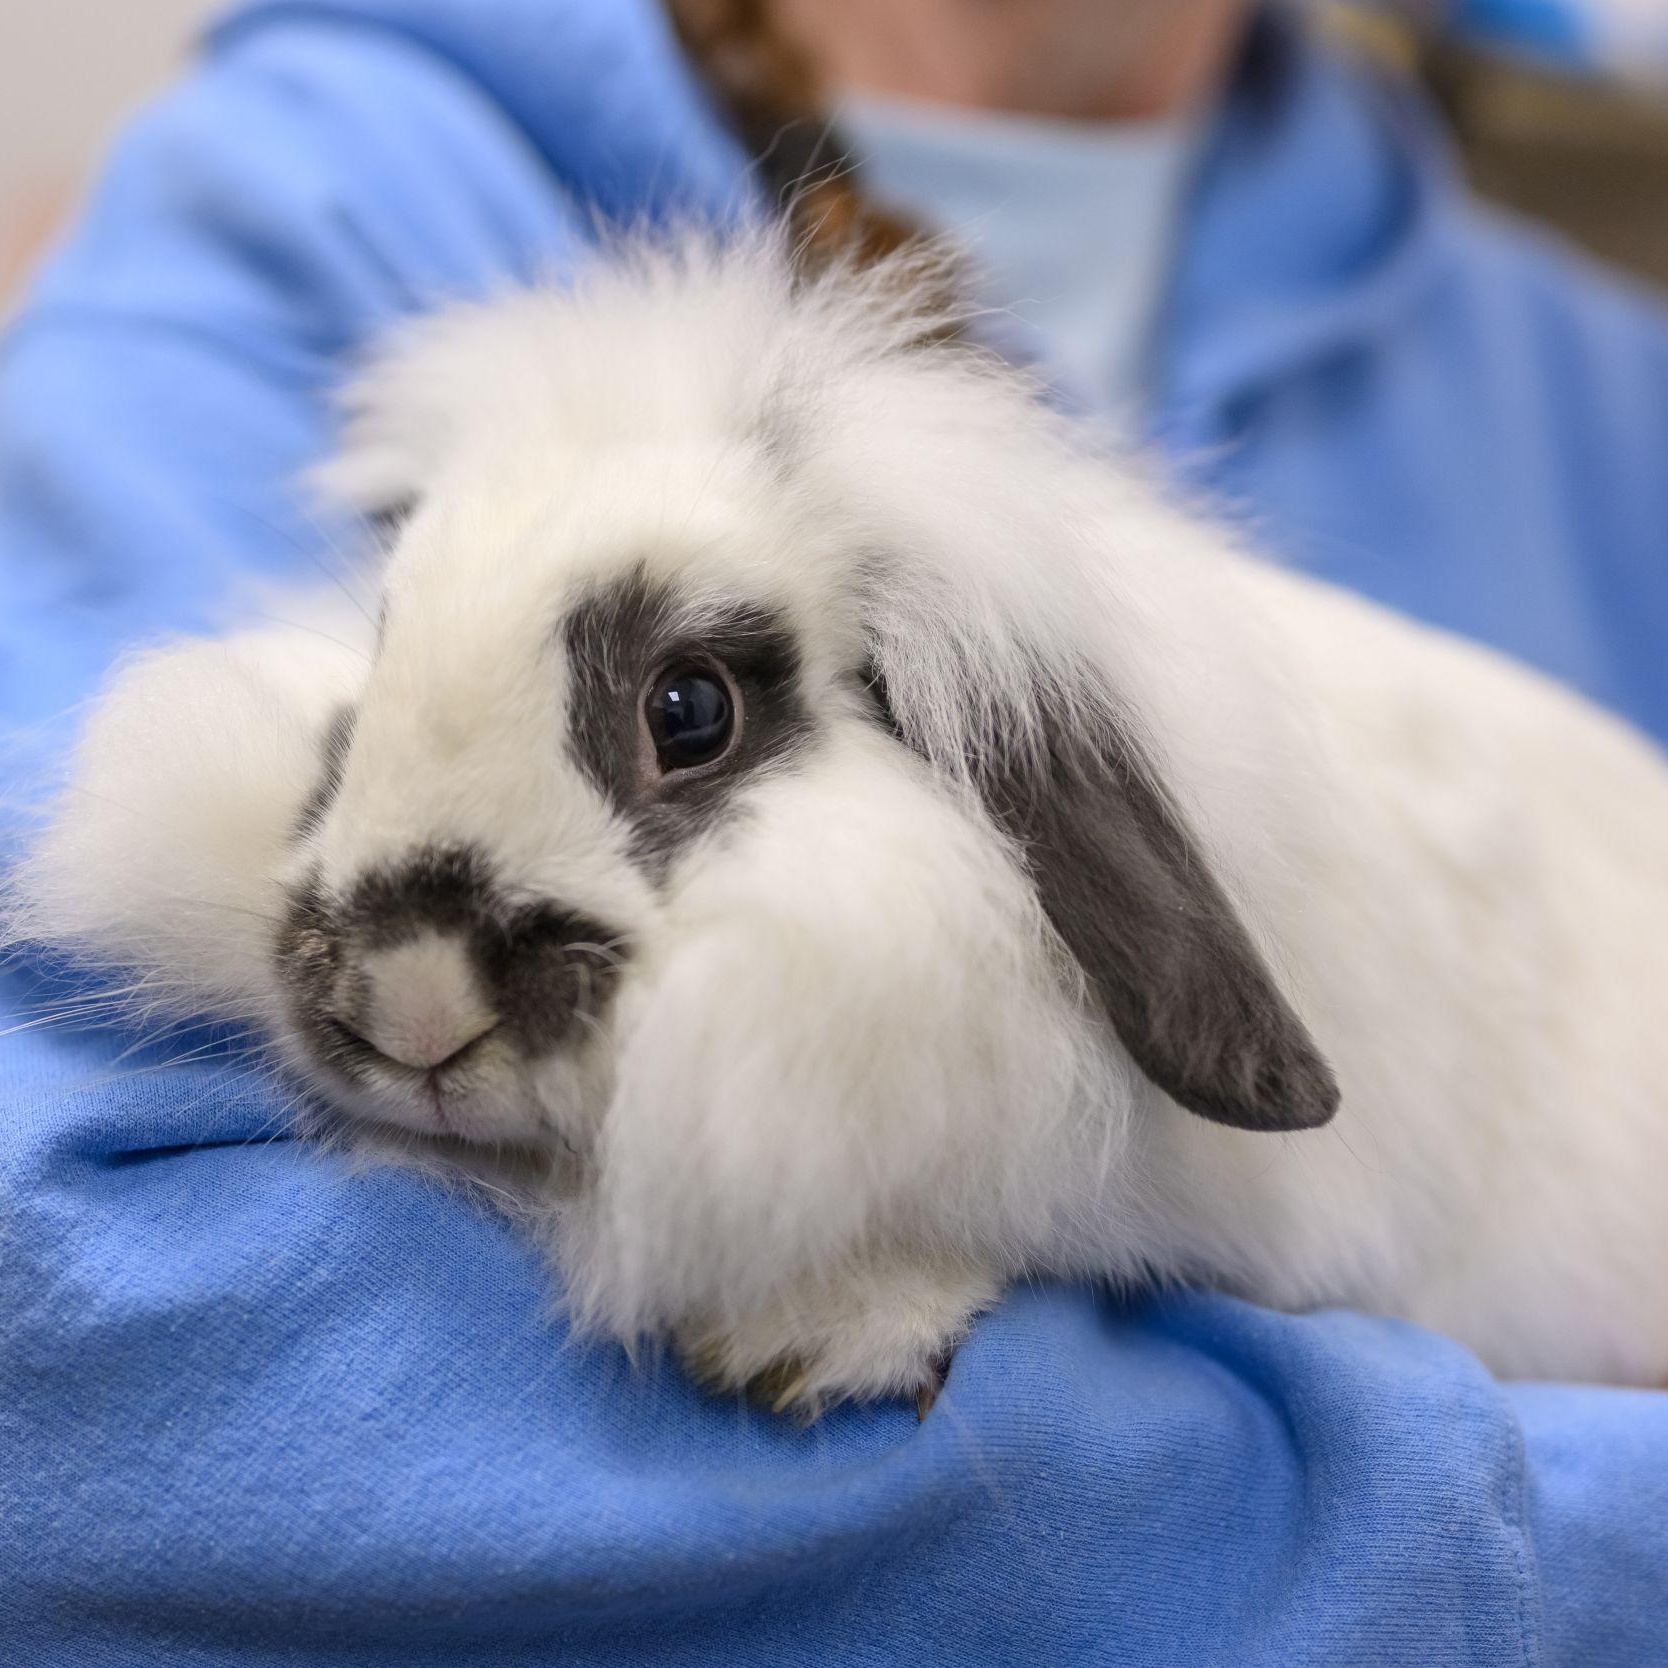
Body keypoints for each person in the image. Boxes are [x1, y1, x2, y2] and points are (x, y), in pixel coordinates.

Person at [1, 3, 1665, 1663]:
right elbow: (90, 1335)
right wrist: (1555, 1539)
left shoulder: (1594, 383)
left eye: (687, 722)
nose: (420, 1004)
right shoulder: (326, 189)